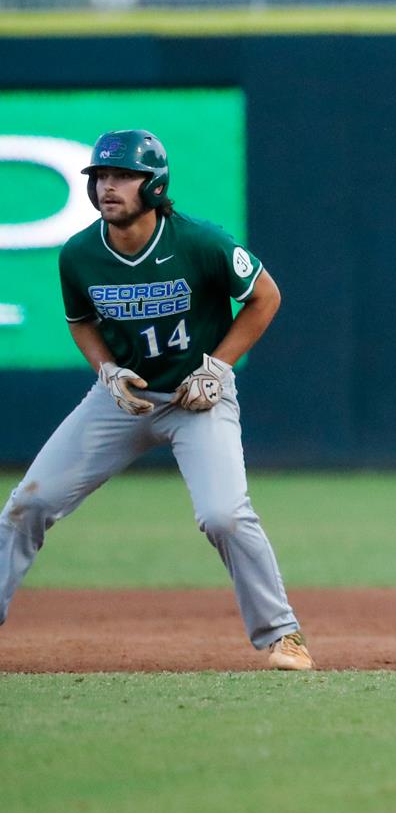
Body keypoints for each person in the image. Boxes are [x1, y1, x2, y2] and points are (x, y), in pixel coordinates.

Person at [0, 130, 312, 669]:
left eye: (121, 176)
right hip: (122, 401)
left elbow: (266, 296)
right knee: (29, 502)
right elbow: (81, 322)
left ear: (155, 183)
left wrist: (219, 365)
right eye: (99, 177)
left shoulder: (199, 241)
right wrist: (106, 372)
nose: (106, 187)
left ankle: (282, 635)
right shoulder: (79, 254)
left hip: (198, 399)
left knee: (223, 515)